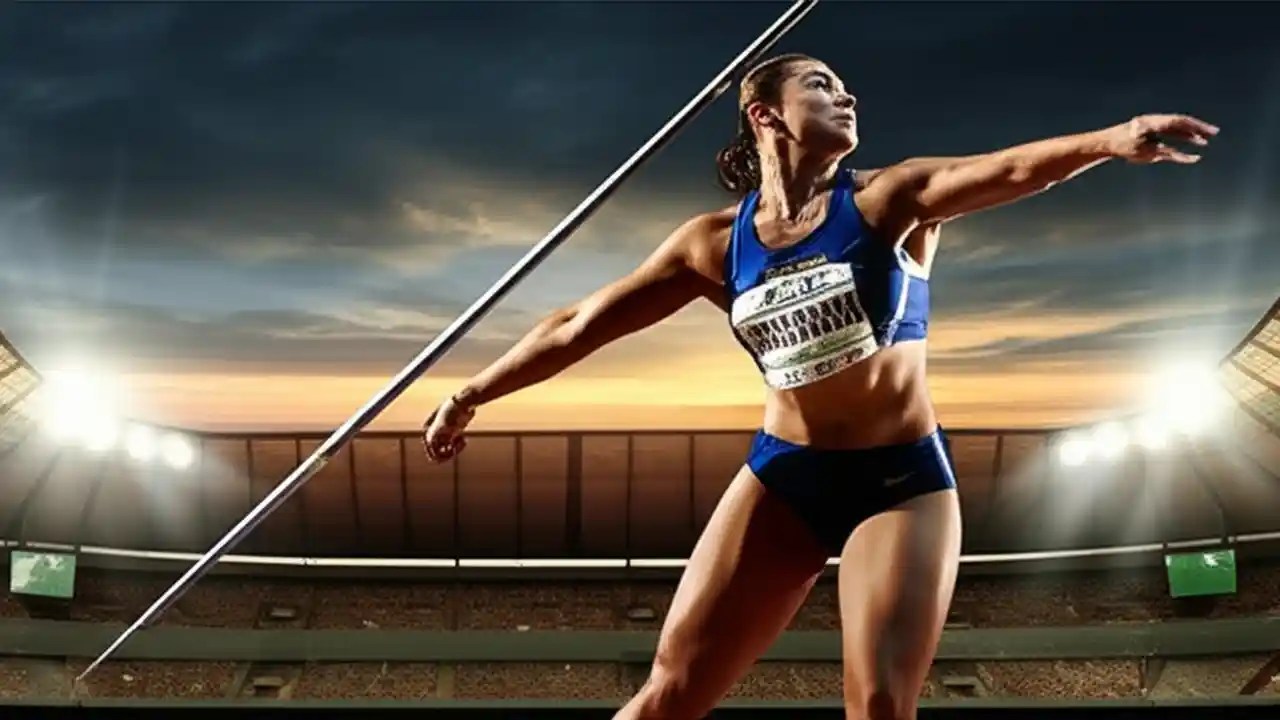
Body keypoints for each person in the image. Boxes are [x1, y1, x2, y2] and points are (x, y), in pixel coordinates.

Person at [421, 53, 1217, 720]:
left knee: (877, 705)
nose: (848, 95)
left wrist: (1110, 140)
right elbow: (576, 325)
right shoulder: (710, 244)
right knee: (669, 694)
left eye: (845, 86)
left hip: (898, 483)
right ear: (765, 115)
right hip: (785, 475)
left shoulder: (889, 199)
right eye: (822, 83)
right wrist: (471, 395)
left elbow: (1009, 171)